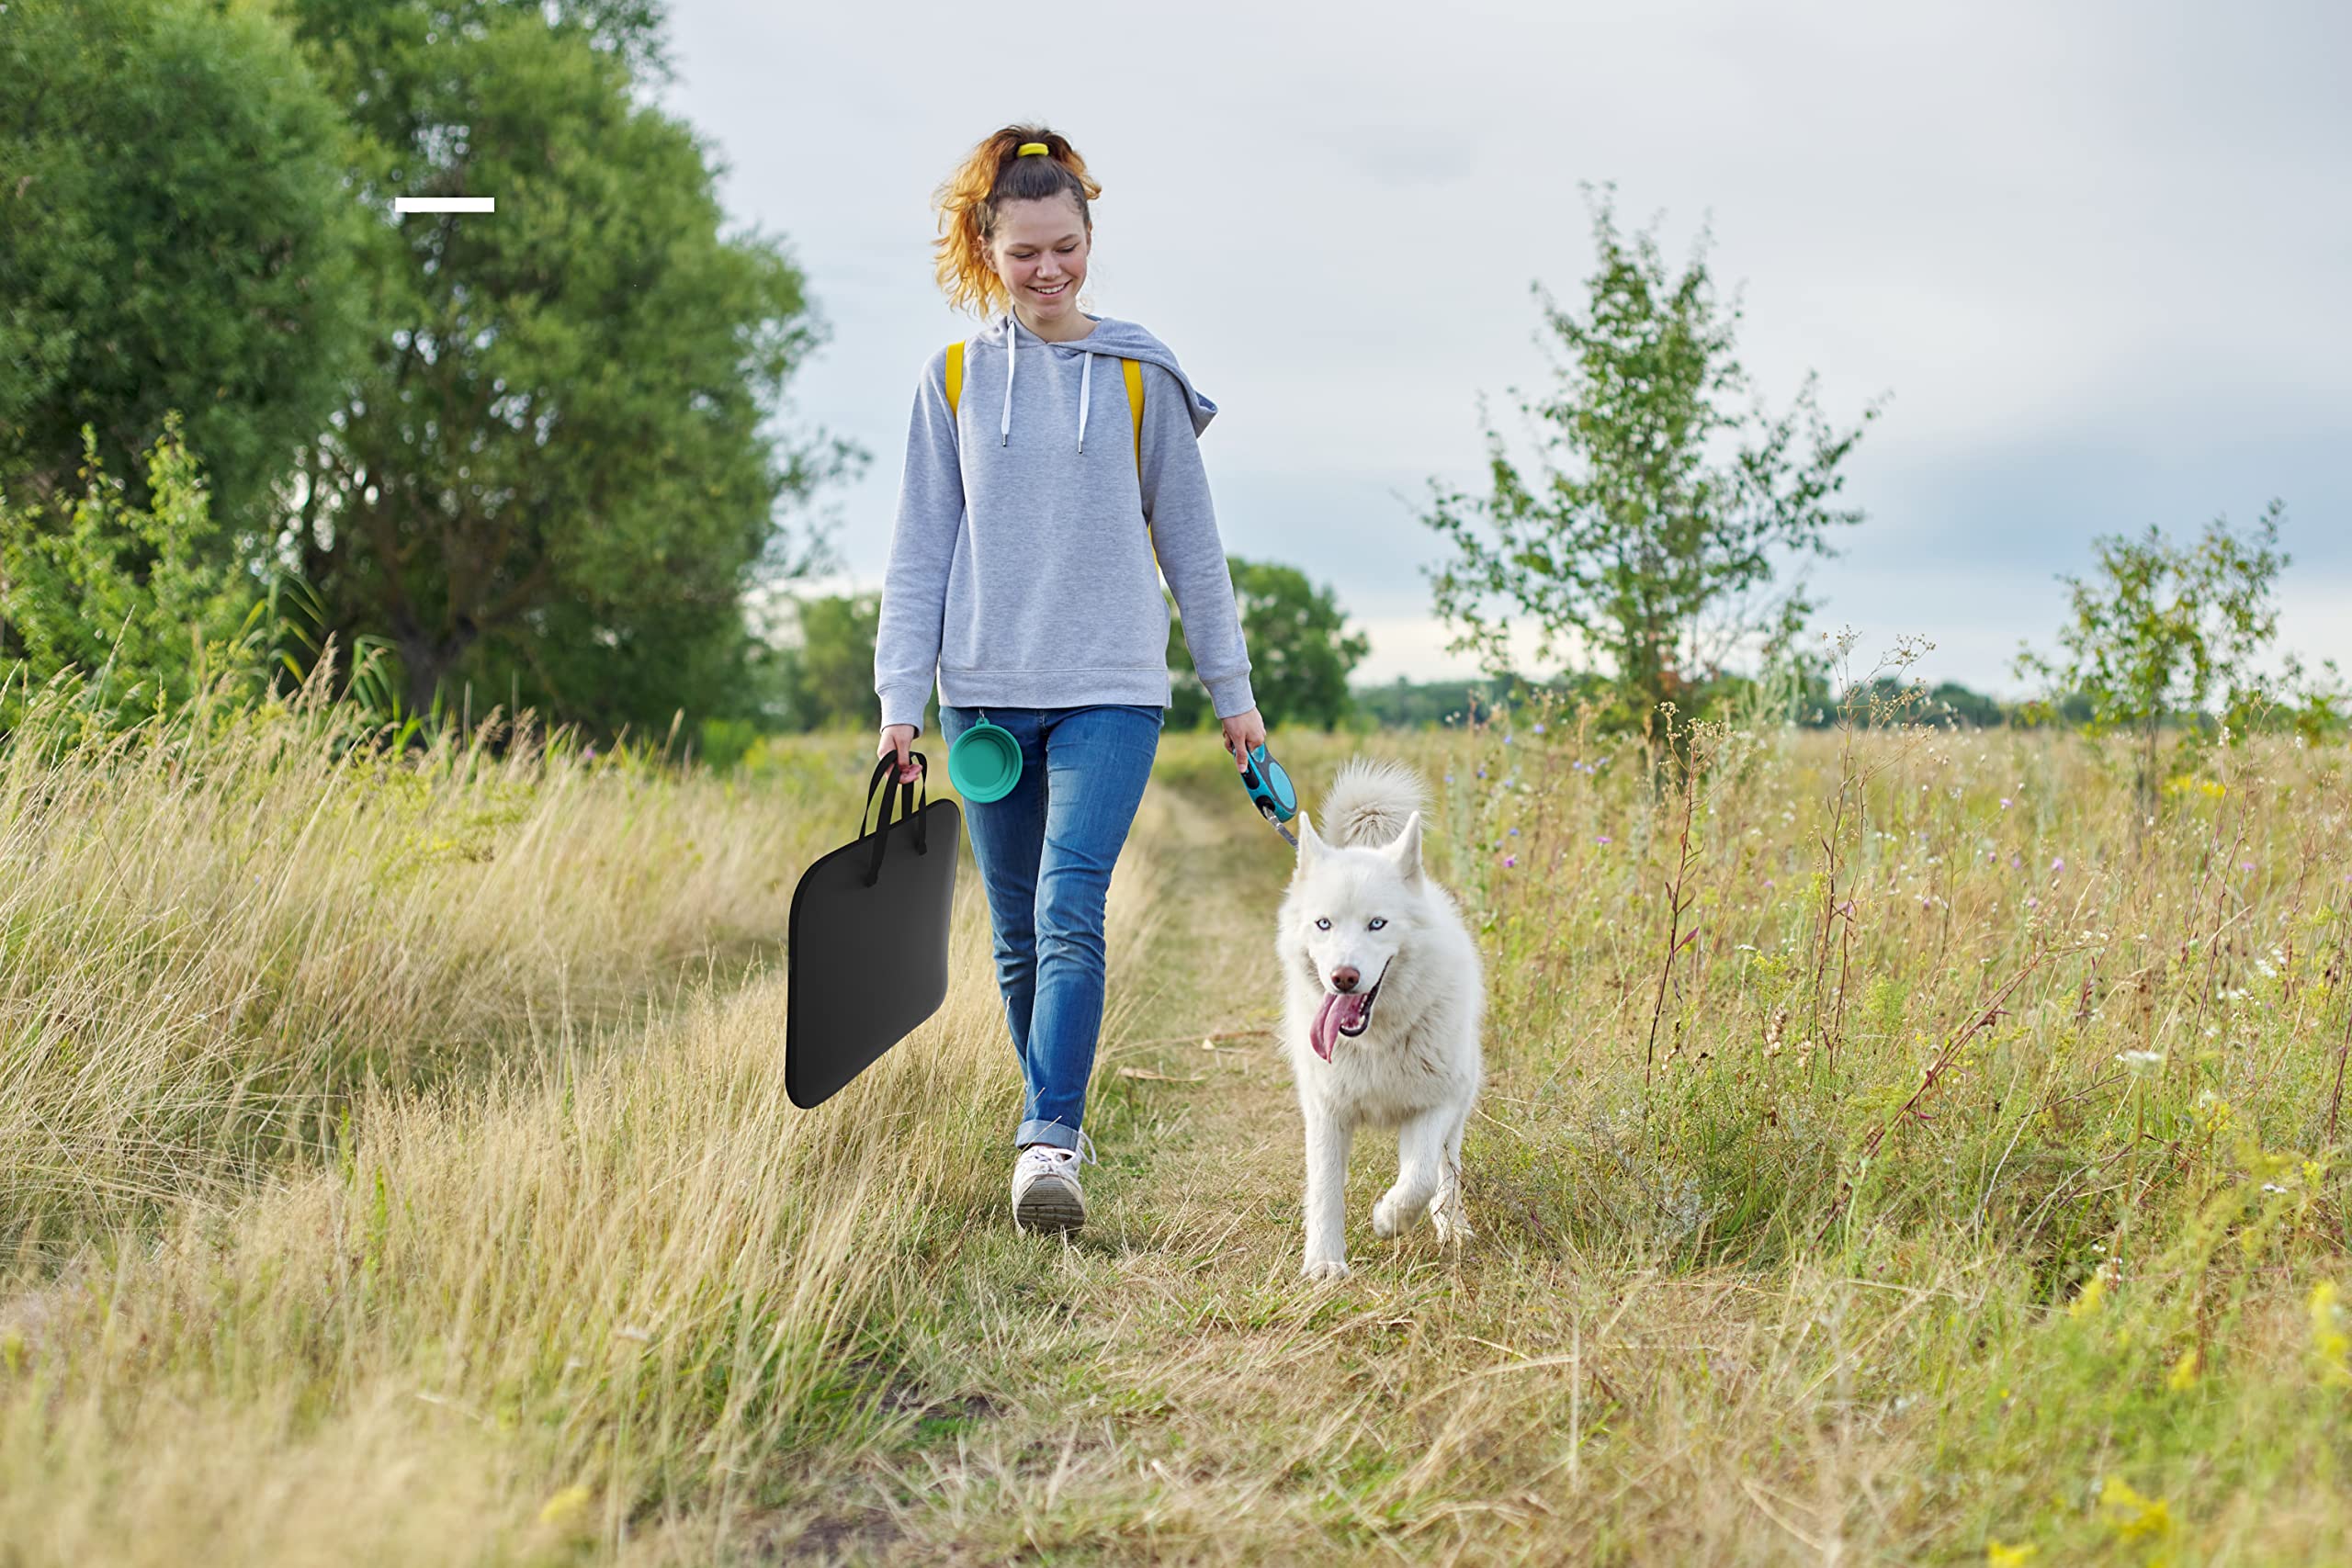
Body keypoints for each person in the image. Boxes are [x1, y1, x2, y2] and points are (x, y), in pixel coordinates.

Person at [873, 124, 1265, 1236]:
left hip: (1111, 687)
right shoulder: (950, 381)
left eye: (1065, 249)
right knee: (1010, 932)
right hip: (985, 693)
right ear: (986, 250)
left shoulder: (1142, 377)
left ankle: (1047, 1139)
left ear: (1091, 236)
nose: (1048, 273)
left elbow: (1194, 552)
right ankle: (1057, 1123)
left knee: (1066, 905)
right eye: (1024, 254)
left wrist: (1231, 699)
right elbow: (919, 553)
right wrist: (901, 702)